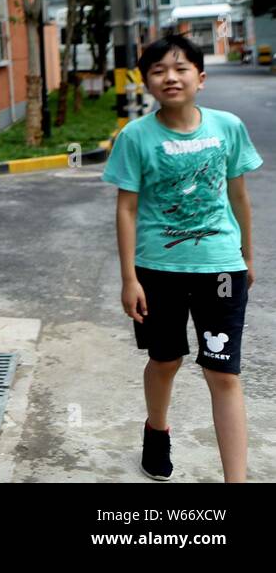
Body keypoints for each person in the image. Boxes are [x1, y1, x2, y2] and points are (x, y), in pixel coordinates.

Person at [102, 35, 261, 482]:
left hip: (221, 270)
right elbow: (127, 208)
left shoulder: (227, 127)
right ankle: (157, 429)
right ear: (146, 82)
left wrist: (247, 255)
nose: (170, 77)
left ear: (200, 77)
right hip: (158, 272)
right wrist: (128, 277)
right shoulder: (135, 136)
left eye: (181, 68)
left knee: (223, 373)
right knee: (165, 360)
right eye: (158, 71)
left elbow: (240, 197)